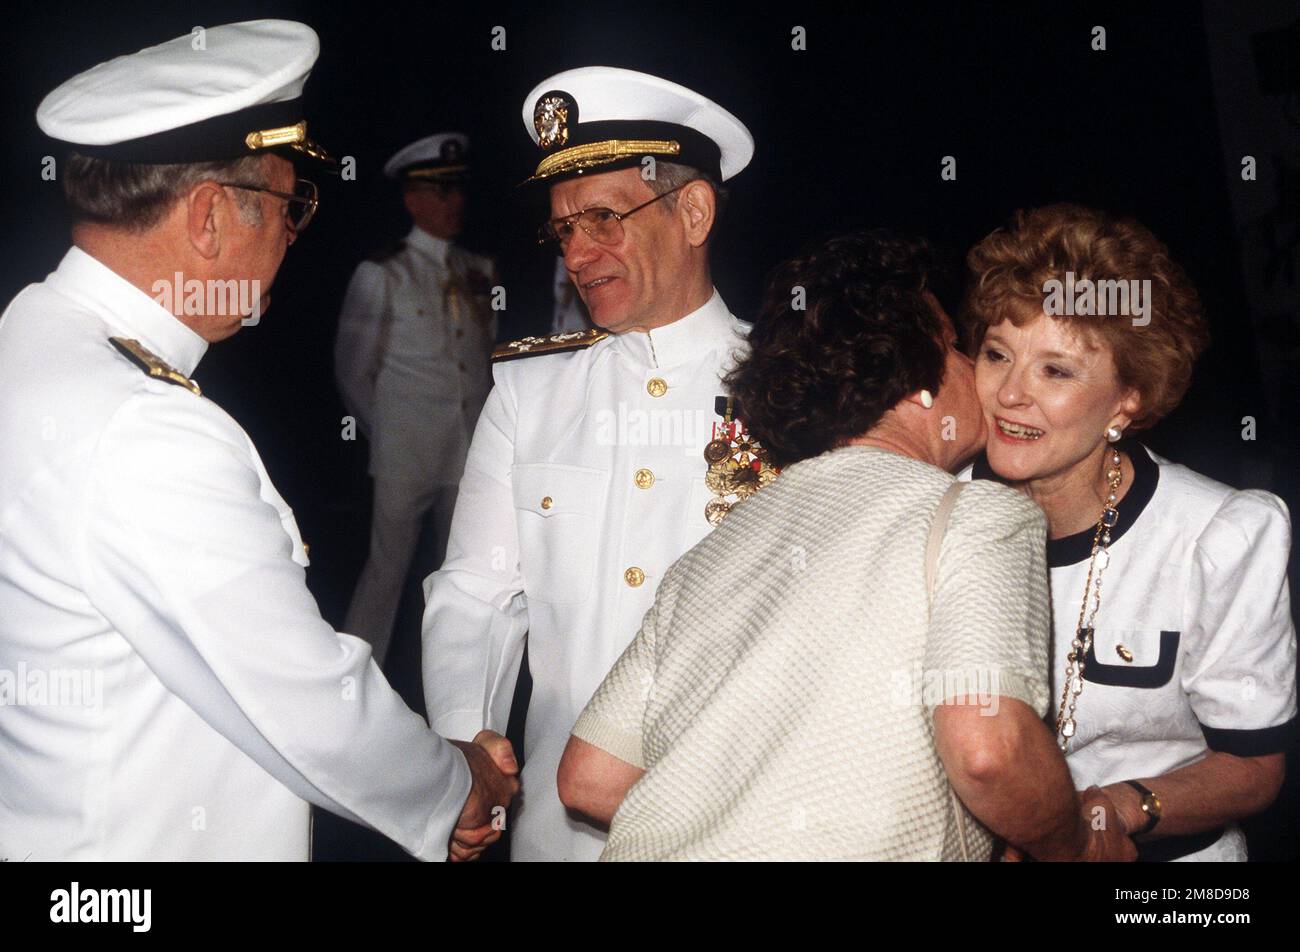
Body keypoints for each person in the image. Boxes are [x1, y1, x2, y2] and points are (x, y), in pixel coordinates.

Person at [0, 19, 515, 862]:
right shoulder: (145, 429)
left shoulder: (34, 336)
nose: (290, 234)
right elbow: (311, 704)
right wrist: (459, 785)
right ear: (208, 217)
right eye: (288, 205)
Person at [556, 231, 1132, 860]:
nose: (979, 375)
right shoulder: (975, 513)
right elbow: (988, 751)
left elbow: (589, 776)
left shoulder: (704, 559)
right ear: (922, 380)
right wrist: (1074, 844)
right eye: (963, 351)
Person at [421, 67, 761, 861]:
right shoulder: (530, 392)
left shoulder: (794, 386)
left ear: (694, 211)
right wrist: (464, 756)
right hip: (561, 835)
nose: (578, 251)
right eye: (564, 229)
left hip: (739, 828)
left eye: (603, 218)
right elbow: (476, 591)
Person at [960, 203, 1296, 861]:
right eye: (997, 354)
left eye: (1055, 370)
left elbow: (1254, 769)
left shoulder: (1217, 535)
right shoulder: (942, 503)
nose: (1009, 394)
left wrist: (1120, 807)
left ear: (1127, 400)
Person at [335, 132, 498, 667]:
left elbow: (482, 360)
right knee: (386, 571)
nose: (456, 202)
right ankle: (354, 678)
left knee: (466, 573)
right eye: (441, 192)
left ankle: (458, 678)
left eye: (459, 191)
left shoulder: (480, 270)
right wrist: (389, 432)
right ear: (412, 199)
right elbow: (355, 370)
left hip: (468, 449)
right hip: (407, 451)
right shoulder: (383, 273)